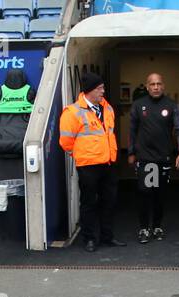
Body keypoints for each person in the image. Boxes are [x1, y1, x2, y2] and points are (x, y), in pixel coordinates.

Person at [59, 71, 123, 251]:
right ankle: (89, 239)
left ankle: (107, 237)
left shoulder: (107, 107)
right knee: (89, 203)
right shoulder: (72, 112)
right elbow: (66, 142)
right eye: (100, 88)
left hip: (108, 163)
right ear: (89, 90)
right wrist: (81, 154)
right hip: (88, 166)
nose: (103, 91)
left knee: (109, 201)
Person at [128, 73, 179, 243]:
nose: (156, 87)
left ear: (163, 85)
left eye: (159, 83)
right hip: (145, 158)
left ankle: (157, 226)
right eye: (152, 84)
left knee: (160, 194)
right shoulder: (139, 105)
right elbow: (132, 131)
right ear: (147, 86)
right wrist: (131, 153)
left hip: (163, 157)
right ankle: (144, 228)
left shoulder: (172, 105)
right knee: (145, 192)